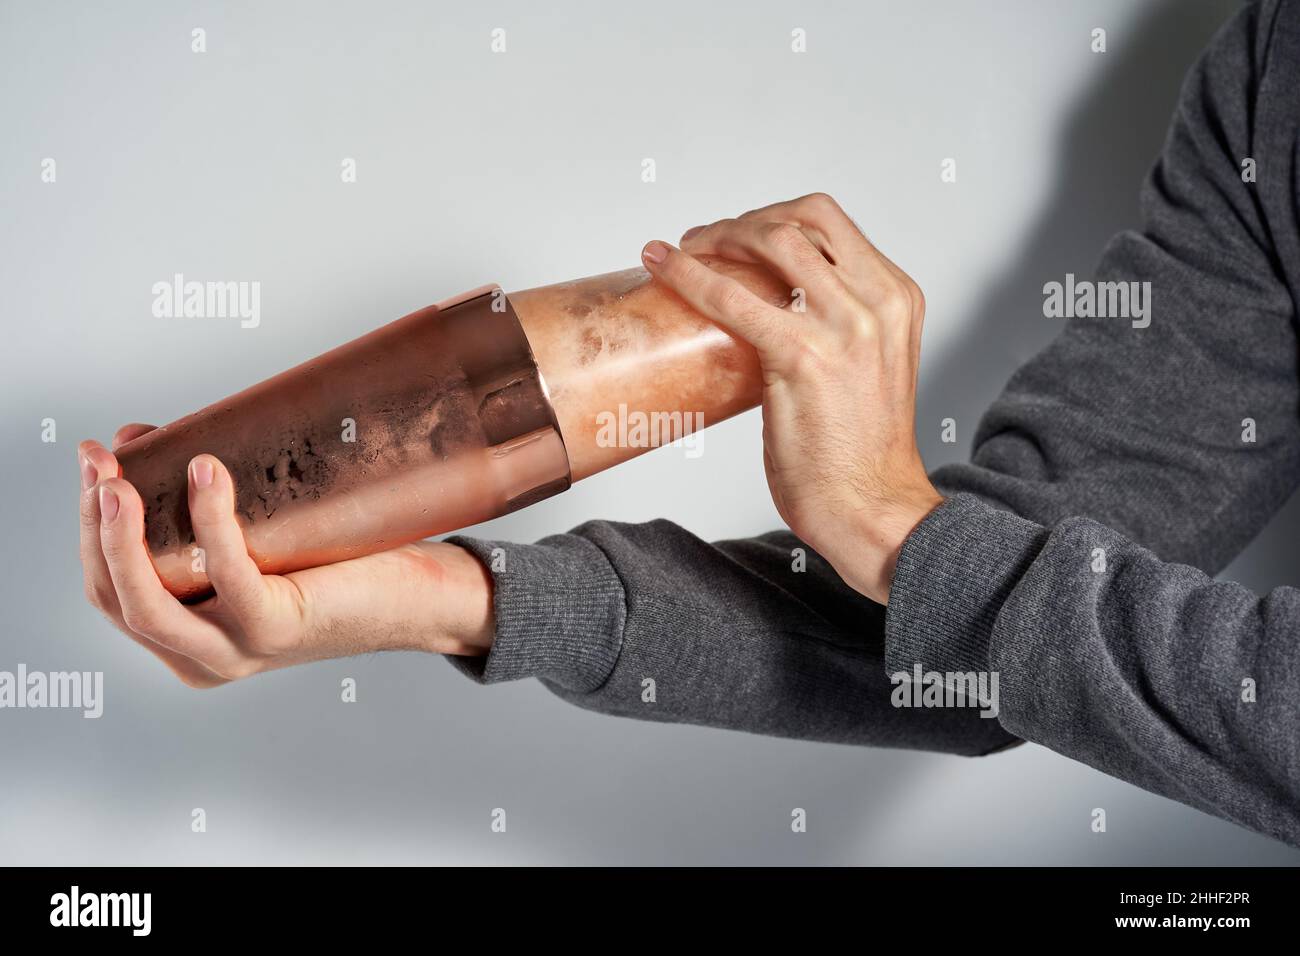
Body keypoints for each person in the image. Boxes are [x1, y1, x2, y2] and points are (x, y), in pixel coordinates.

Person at [77, 0, 1300, 845]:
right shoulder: (1270, 75)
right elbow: (984, 644)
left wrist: (896, 526)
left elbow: (965, 584)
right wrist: (442, 592)